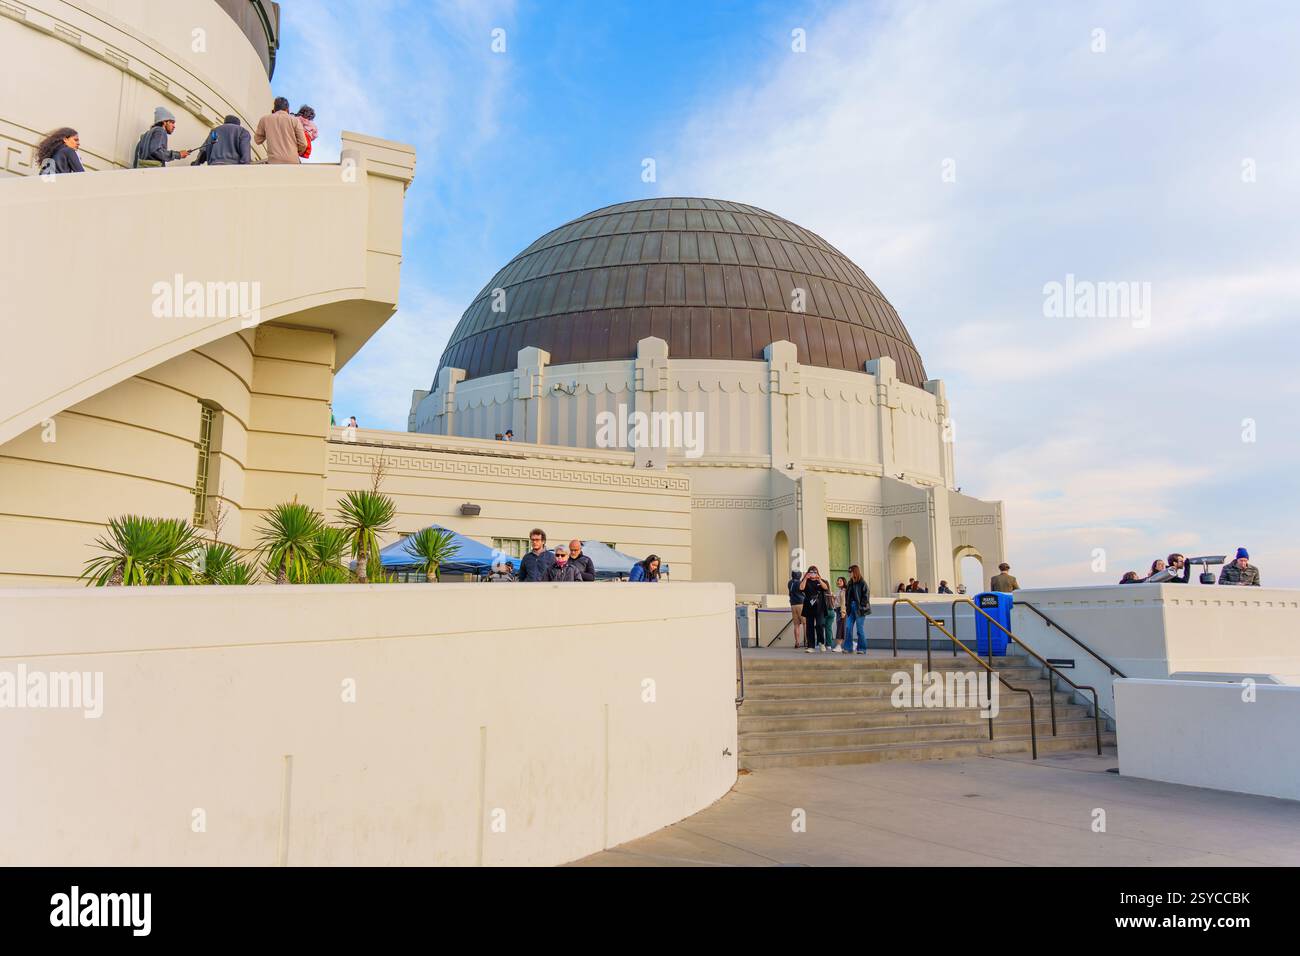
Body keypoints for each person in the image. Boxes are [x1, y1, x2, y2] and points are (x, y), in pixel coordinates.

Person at [254, 96, 307, 164]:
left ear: (274, 109)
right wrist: (295, 152)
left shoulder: (264, 119)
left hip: (273, 161)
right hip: (293, 161)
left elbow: (257, 140)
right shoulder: (295, 120)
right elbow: (303, 144)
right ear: (287, 110)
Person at [800, 567, 831, 653]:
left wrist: (819, 580)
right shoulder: (806, 581)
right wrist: (805, 578)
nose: (813, 573)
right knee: (809, 626)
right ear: (808, 572)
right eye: (811, 572)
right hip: (809, 607)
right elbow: (801, 588)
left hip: (819, 607)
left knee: (820, 625)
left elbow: (825, 588)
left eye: (815, 572)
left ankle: (821, 643)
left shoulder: (821, 581)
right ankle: (811, 646)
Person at [843, 565, 870, 655]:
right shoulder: (850, 583)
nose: (849, 574)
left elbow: (866, 596)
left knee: (859, 629)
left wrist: (861, 606)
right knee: (848, 627)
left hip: (860, 609)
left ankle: (862, 648)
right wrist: (847, 606)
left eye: (850, 572)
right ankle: (848, 648)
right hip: (851, 608)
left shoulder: (862, 583)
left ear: (855, 572)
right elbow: (847, 596)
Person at [787, 570, 805, 647]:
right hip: (801, 603)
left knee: (796, 625)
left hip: (793, 604)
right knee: (805, 623)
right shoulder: (800, 582)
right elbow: (803, 591)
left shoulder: (790, 582)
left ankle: (797, 642)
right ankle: (806, 641)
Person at [829, 577, 846, 653]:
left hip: (842, 611)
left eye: (840, 581)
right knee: (840, 627)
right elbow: (835, 603)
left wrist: (843, 612)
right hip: (837, 610)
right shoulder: (838, 591)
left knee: (840, 628)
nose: (838, 582)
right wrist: (833, 597)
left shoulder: (844, 590)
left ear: (844, 582)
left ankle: (839, 646)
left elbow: (844, 602)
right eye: (838, 580)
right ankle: (851, 643)